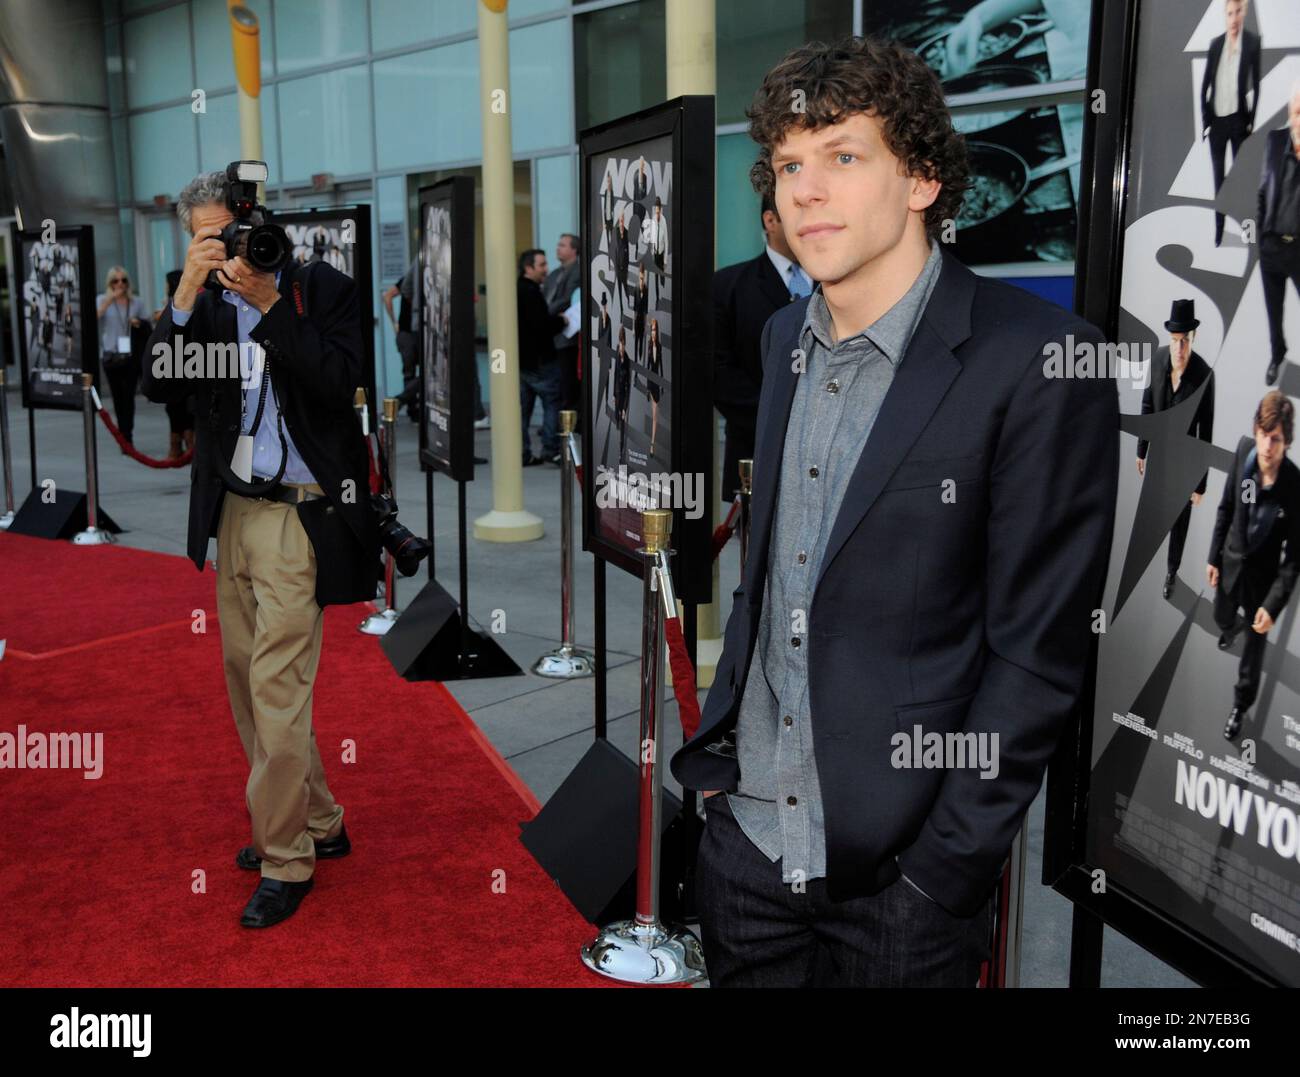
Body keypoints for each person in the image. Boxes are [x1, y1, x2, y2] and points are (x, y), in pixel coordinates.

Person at [670, 36, 1118, 988]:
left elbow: (1038, 653)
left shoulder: (1036, 363)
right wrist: (722, 813)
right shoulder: (784, 333)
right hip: (747, 847)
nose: (806, 190)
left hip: (903, 886)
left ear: (920, 178)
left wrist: (945, 869)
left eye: (843, 156)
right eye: (791, 164)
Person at [141, 168, 379, 929]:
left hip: (298, 519)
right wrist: (185, 295)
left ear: (258, 220)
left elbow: (342, 382)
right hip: (233, 513)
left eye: (233, 230)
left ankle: (285, 856)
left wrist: (271, 305)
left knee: (277, 688)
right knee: (248, 684)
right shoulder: (201, 305)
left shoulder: (319, 288)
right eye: (209, 238)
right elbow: (155, 386)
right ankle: (321, 818)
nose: (229, 247)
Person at [1208, 391, 1300, 741]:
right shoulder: (1244, 453)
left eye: (1275, 439)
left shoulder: (1295, 487)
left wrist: (1273, 606)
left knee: (1253, 656)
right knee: (1221, 618)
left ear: (1286, 441)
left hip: (1263, 582)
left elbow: (1294, 559)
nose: (1266, 445)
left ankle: (1240, 706)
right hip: (1231, 564)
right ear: (1255, 431)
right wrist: (1214, 557)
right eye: (1263, 434)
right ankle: (1230, 628)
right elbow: (1226, 507)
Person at [712, 193, 810, 502]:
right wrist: (783, 419)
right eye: (799, 211)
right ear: (770, 220)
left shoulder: (841, 279)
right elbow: (717, 372)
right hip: (756, 454)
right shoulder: (728, 286)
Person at [1137, 299, 1215, 599]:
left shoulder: (1204, 375)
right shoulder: (1157, 361)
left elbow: (1206, 432)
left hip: (1185, 459)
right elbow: (1147, 405)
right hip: (1159, 455)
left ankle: (1172, 571)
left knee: (1179, 521)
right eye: (1174, 341)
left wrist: (1201, 484)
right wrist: (1142, 449)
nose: (1179, 348)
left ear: (1192, 339)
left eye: (1184, 342)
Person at [1202, 0, 1261, 246]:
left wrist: (1251, 123)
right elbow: (1205, 86)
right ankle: (1219, 232)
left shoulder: (1252, 43)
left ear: (1244, 13)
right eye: (1230, 13)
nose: (1234, 18)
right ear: (1225, 16)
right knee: (1219, 181)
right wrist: (1206, 123)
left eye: (1238, 12)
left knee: (1240, 179)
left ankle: (1246, 229)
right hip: (1217, 123)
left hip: (1239, 121)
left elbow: (1257, 85)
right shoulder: (1215, 44)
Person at [1258, 80, 1300, 386]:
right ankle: (1277, 356)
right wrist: (1261, 234)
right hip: (1271, 245)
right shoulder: (1275, 140)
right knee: (1274, 312)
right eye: (1297, 111)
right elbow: (1263, 187)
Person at [517, 248, 565, 465]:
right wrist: (561, 321)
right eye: (542, 265)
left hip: (523, 362)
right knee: (552, 403)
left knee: (523, 411)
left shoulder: (517, 289)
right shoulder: (531, 292)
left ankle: (523, 452)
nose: (546, 269)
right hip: (541, 360)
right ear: (529, 268)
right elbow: (541, 327)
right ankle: (550, 449)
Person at [96, 266, 150, 447]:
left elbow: (147, 324)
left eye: (123, 280)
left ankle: (128, 436)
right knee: (118, 398)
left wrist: (138, 323)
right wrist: (110, 299)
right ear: (109, 284)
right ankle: (123, 436)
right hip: (111, 356)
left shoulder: (136, 302)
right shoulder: (102, 300)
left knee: (129, 398)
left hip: (130, 356)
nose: (120, 284)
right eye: (115, 281)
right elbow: (94, 318)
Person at [156, 269, 195, 459]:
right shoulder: (179, 301)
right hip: (178, 360)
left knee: (176, 405)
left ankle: (182, 445)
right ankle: (182, 445)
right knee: (177, 405)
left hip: (178, 360)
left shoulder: (179, 302)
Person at [543, 233, 581, 411]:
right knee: (554, 381)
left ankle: (567, 421)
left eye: (563, 245)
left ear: (574, 249)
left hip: (567, 334)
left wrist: (545, 313)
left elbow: (566, 299)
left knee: (567, 380)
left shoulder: (578, 271)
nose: (558, 248)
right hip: (550, 333)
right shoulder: (554, 274)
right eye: (558, 244)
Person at [382, 254, 420, 421]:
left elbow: (388, 296)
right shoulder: (413, 282)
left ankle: (411, 410)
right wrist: (394, 323)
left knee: (409, 373)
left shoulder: (407, 281)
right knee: (419, 373)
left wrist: (395, 323)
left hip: (404, 333)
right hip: (410, 333)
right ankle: (406, 404)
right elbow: (387, 296)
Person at [614, 325, 631, 466]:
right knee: (618, 422)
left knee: (623, 425)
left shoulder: (627, 360)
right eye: (620, 343)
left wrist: (625, 407)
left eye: (623, 344)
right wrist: (614, 395)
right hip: (618, 395)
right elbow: (615, 375)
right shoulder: (617, 356)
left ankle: (621, 454)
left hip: (624, 396)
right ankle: (619, 452)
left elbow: (628, 385)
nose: (621, 347)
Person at [646, 317, 663, 457]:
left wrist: (662, 384)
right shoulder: (649, 345)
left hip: (657, 381)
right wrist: (647, 386)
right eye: (652, 330)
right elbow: (647, 366)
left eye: (655, 331)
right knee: (654, 414)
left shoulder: (660, 346)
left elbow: (661, 366)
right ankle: (652, 444)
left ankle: (653, 442)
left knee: (655, 416)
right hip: (651, 381)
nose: (653, 333)